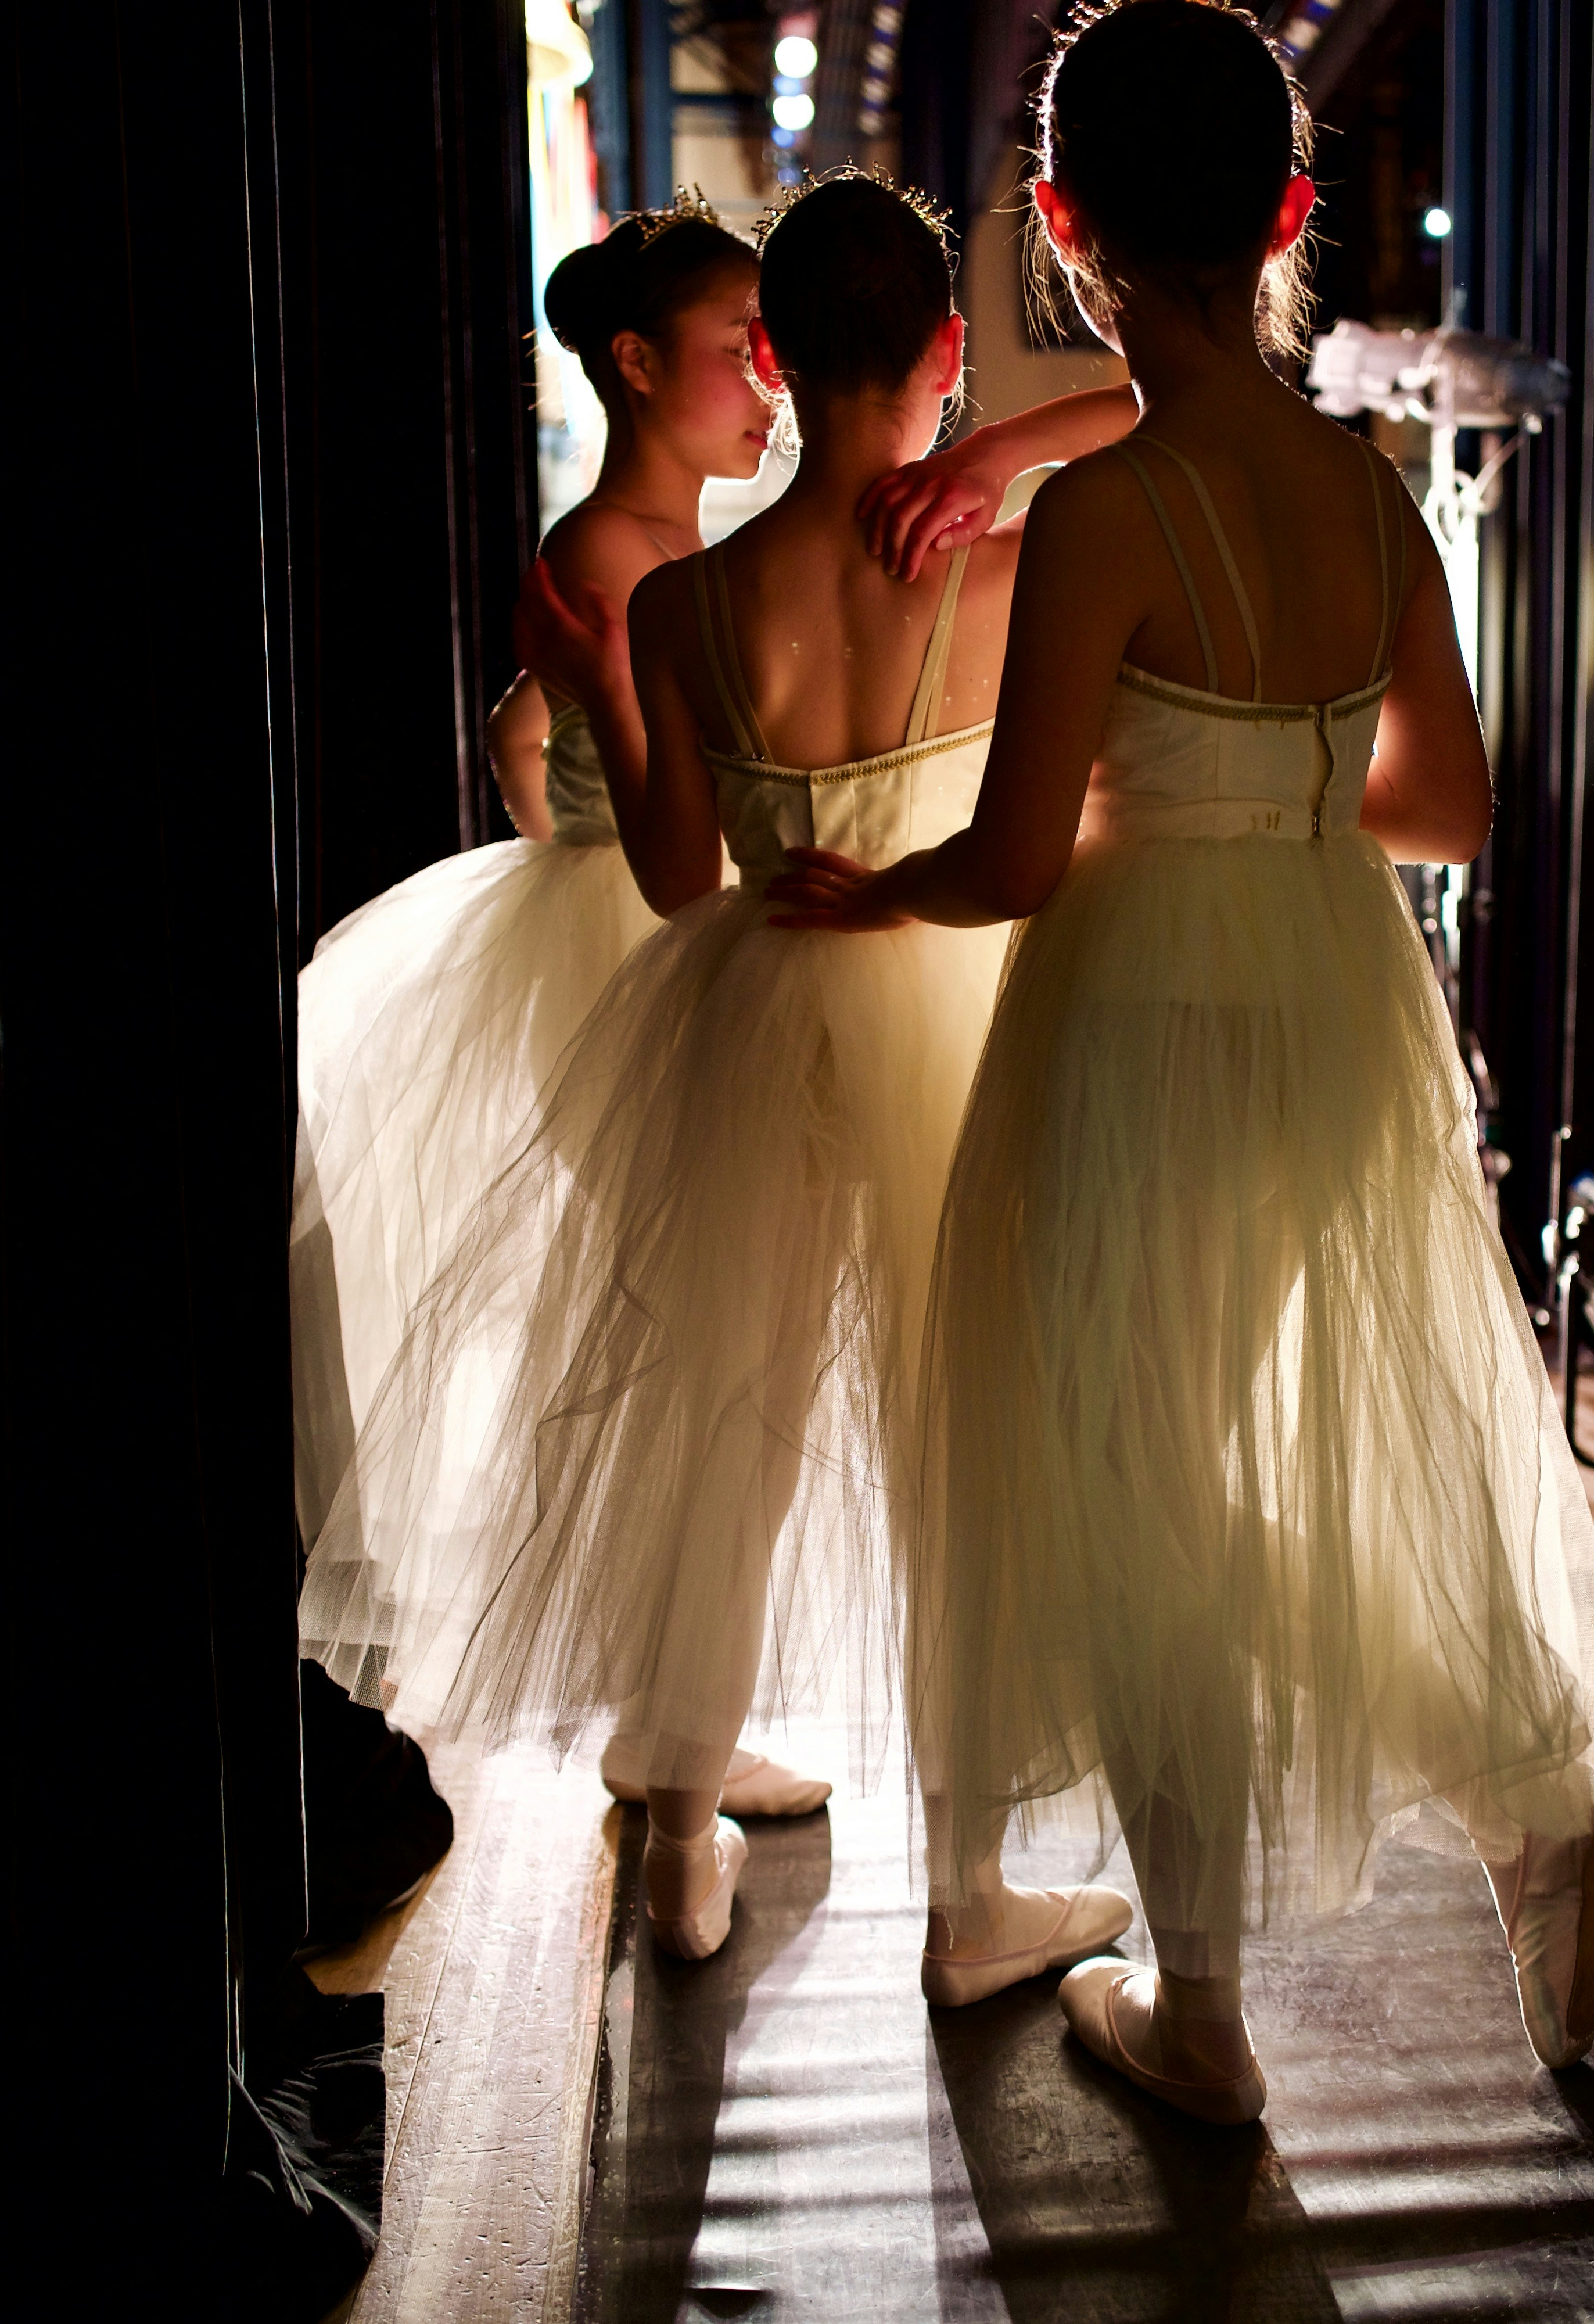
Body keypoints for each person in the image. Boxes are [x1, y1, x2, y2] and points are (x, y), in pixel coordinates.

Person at [771, 0, 1594, 2125]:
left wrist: (865, 894)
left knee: (1131, 1492)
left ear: (1062, 227)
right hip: (1332, 1018)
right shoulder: (1370, 501)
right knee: (1183, 1480)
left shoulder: (1112, 516)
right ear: (1288, 209)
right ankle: (1517, 1787)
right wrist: (1254, 784)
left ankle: (1206, 2010)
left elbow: (1002, 857)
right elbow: (1444, 809)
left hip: (1138, 1022)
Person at [372, 172, 1143, 1991]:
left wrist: (604, 691)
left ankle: (679, 1845)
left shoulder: (684, 607)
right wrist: (1004, 446)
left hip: (749, 1021)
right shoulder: (1016, 566)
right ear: (949, 353)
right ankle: (968, 1903)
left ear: (777, 361)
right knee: (958, 1443)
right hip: (951, 1013)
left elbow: (668, 881)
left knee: (730, 1424)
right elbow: (1148, 402)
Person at [293, 194, 825, 1818]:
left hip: (637, 931)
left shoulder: (655, 553)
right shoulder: (624, 556)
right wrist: (593, 857)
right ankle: (677, 1726)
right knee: (701, 1350)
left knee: (710, 1343)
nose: (772, 390)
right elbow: (615, 768)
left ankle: (685, 1709)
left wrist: (562, 827)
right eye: (745, 356)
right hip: (650, 947)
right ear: (639, 364)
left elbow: (522, 743)